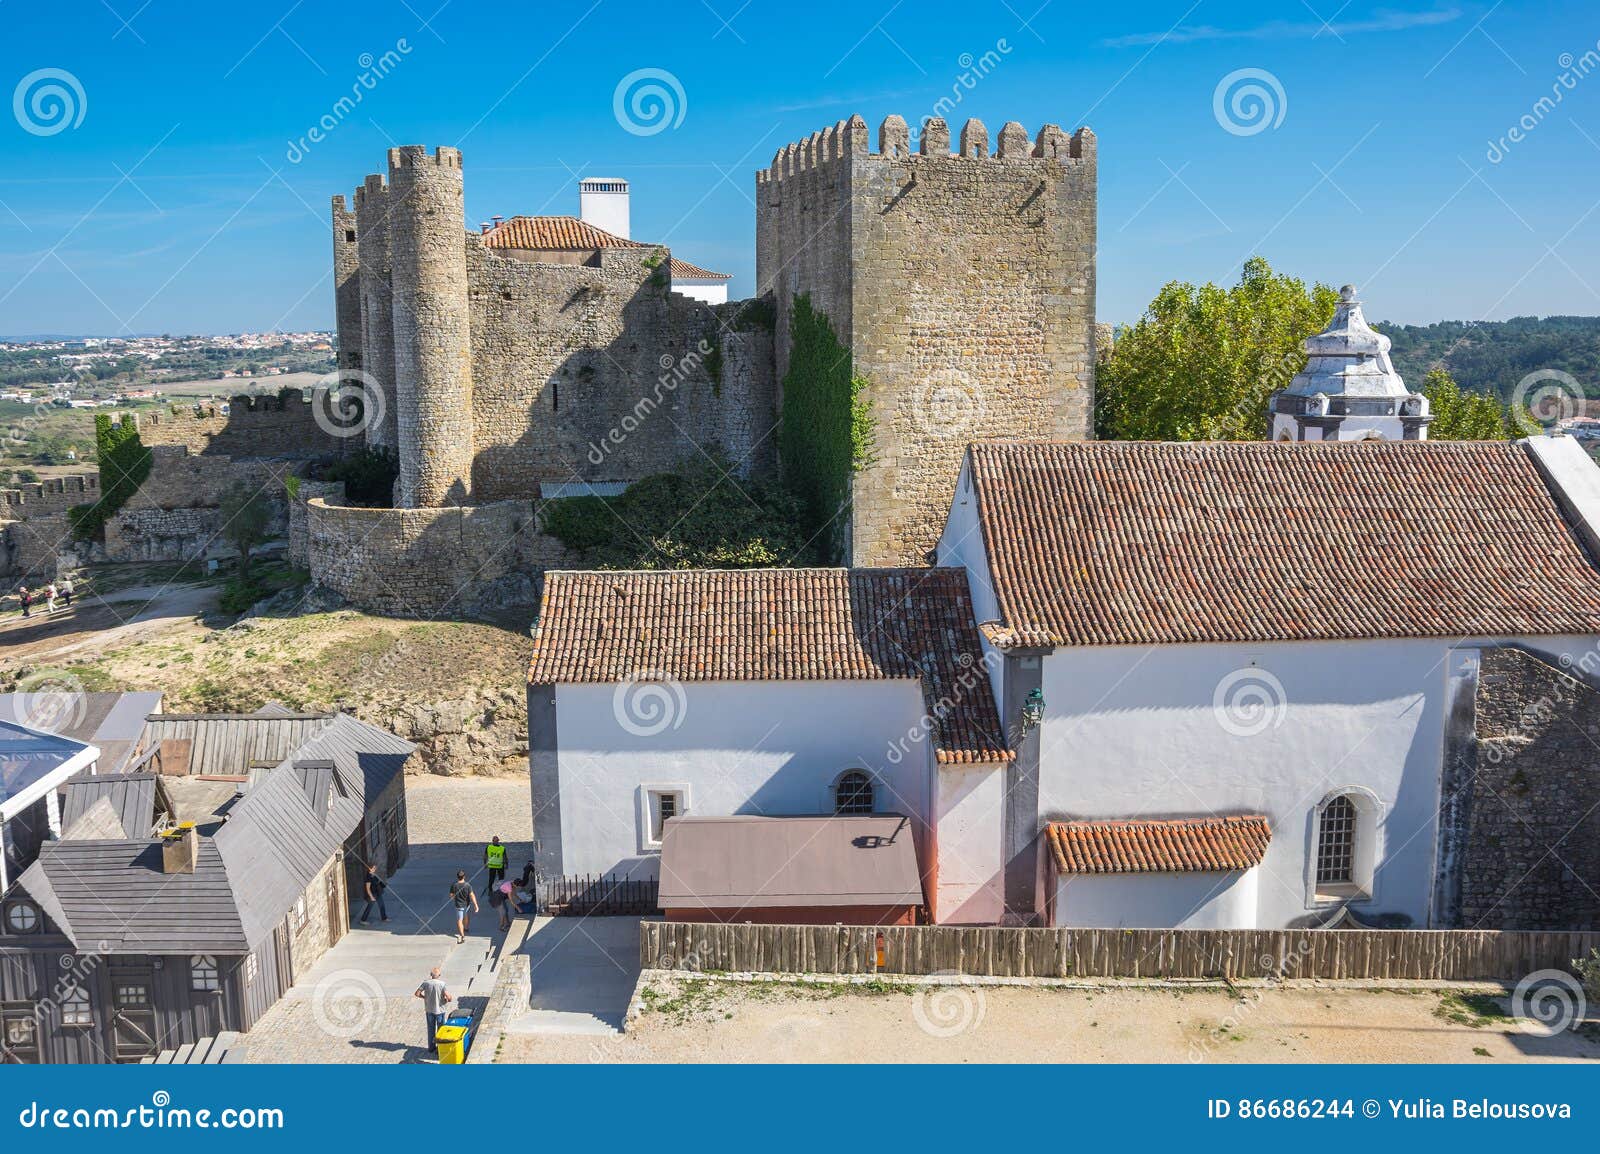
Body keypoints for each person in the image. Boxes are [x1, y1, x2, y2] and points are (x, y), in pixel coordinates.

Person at [413, 966, 451, 1056]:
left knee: (431, 1029)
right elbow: (449, 997)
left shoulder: (426, 983)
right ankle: (440, 1048)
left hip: (429, 1010)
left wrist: (425, 997)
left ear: (431, 975)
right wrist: (447, 1000)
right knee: (441, 1030)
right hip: (440, 1010)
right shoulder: (442, 984)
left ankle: (431, 1048)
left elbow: (417, 993)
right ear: (439, 975)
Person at [448, 869, 478, 943]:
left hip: (459, 905)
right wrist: (476, 905)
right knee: (466, 916)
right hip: (467, 904)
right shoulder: (467, 885)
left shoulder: (454, 885)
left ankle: (462, 936)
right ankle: (466, 928)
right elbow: (472, 895)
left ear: (457, 877)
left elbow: (451, 895)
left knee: (459, 920)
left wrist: (455, 898)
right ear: (464, 877)